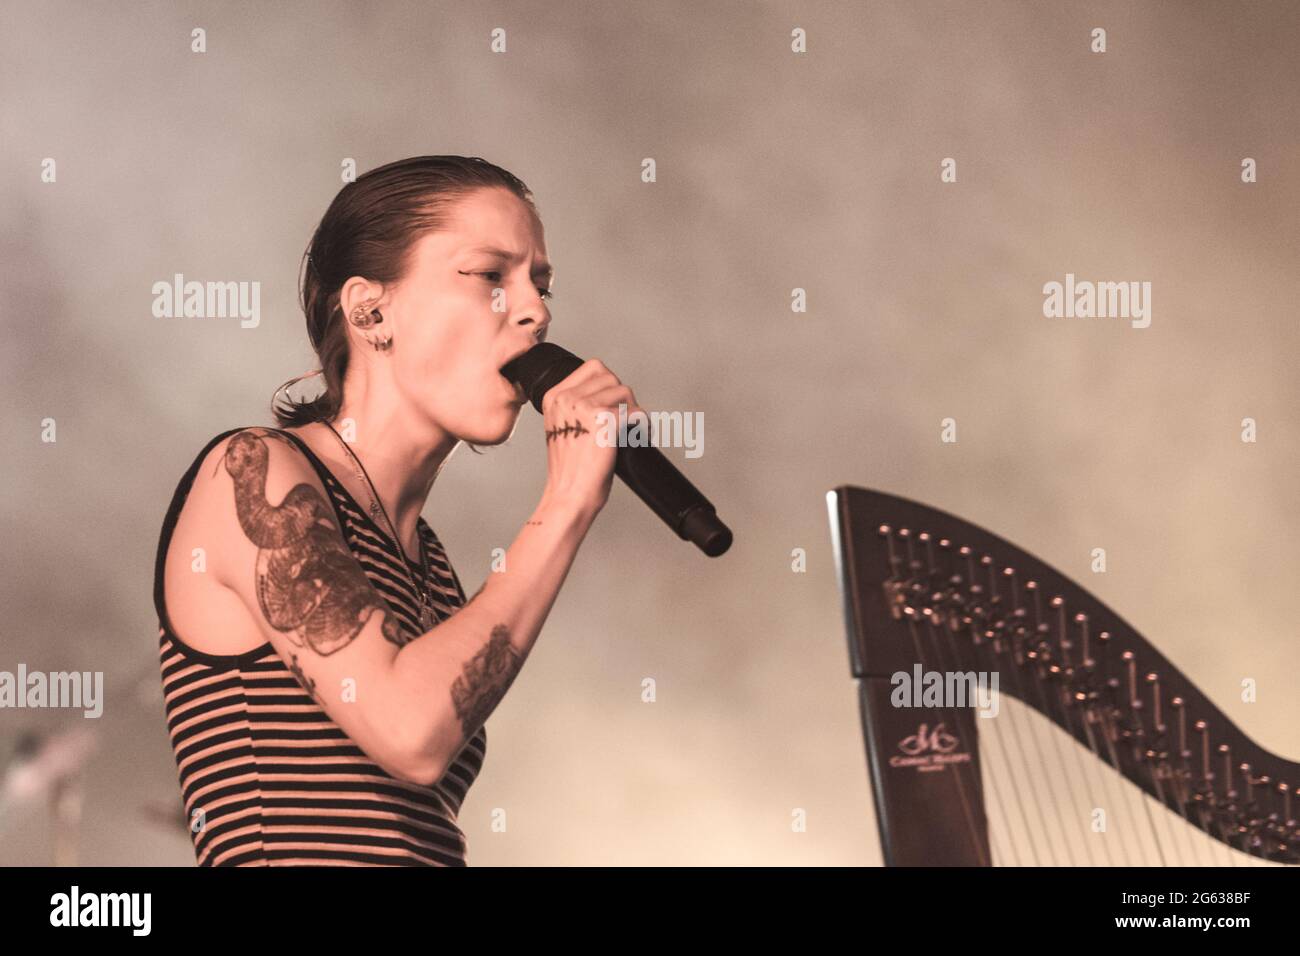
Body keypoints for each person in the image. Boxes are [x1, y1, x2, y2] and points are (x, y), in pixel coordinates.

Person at [153, 155, 647, 866]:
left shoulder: (429, 563)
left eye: (540, 284)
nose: (535, 310)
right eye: (491, 276)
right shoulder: (257, 472)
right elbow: (412, 733)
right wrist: (569, 497)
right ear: (369, 310)